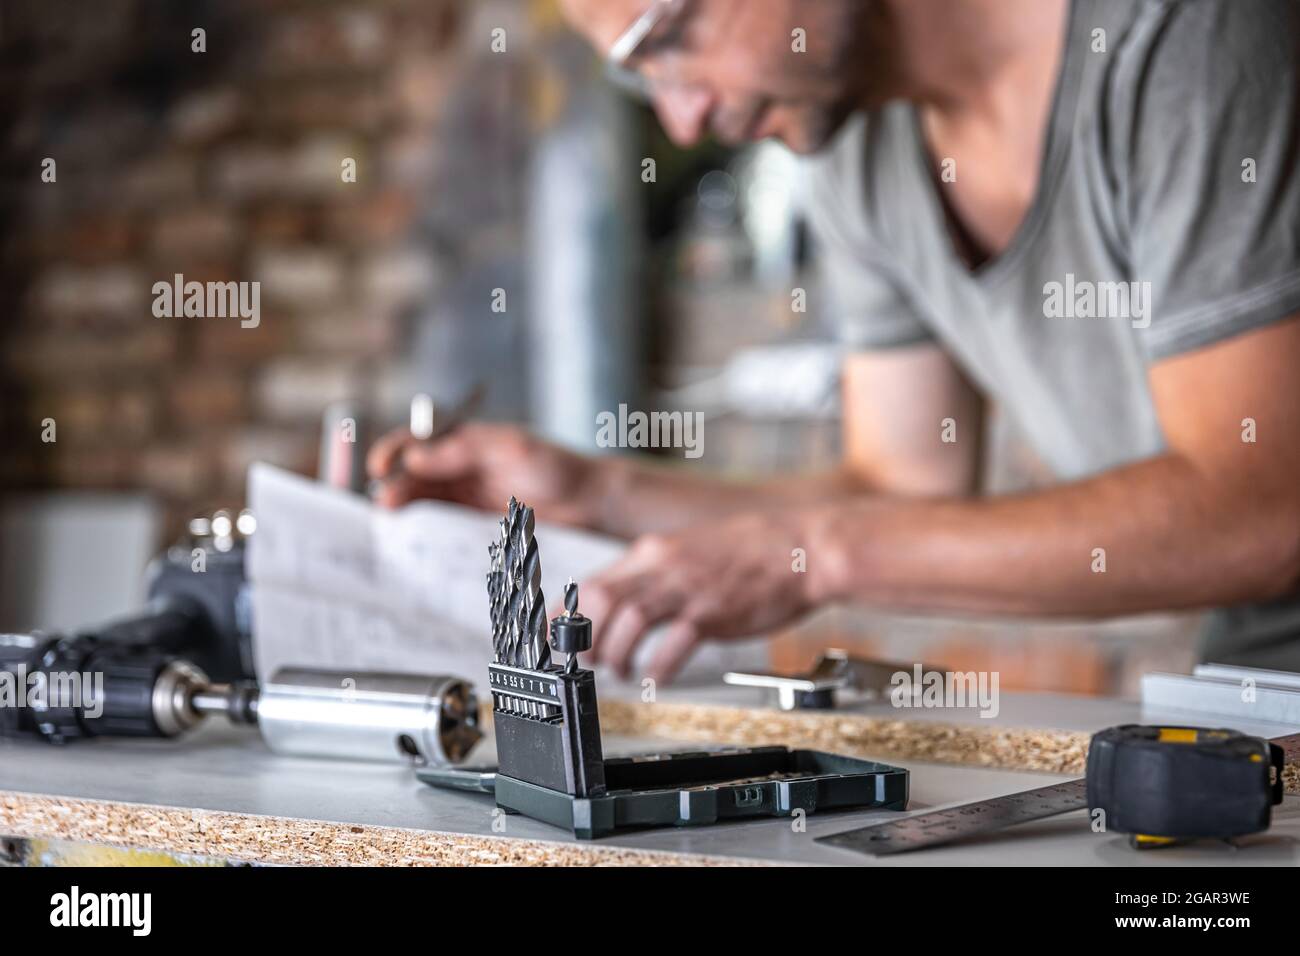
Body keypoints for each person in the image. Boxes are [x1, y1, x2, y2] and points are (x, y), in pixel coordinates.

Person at [369, 0, 1300, 684]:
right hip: (1263, 675)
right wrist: (597, 495)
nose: (684, 119)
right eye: (637, 76)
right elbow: (900, 489)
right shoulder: (855, 144)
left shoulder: (1181, 35)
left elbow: (1262, 510)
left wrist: (810, 549)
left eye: (671, 43)